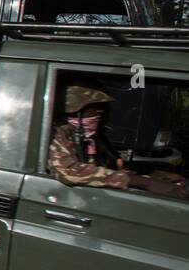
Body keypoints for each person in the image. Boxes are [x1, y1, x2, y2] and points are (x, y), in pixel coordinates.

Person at [48, 84, 186, 198]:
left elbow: (112, 163)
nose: (100, 113)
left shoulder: (92, 136)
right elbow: (68, 171)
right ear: (73, 111)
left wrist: (153, 173)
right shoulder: (60, 132)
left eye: (102, 109)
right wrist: (143, 182)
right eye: (94, 109)